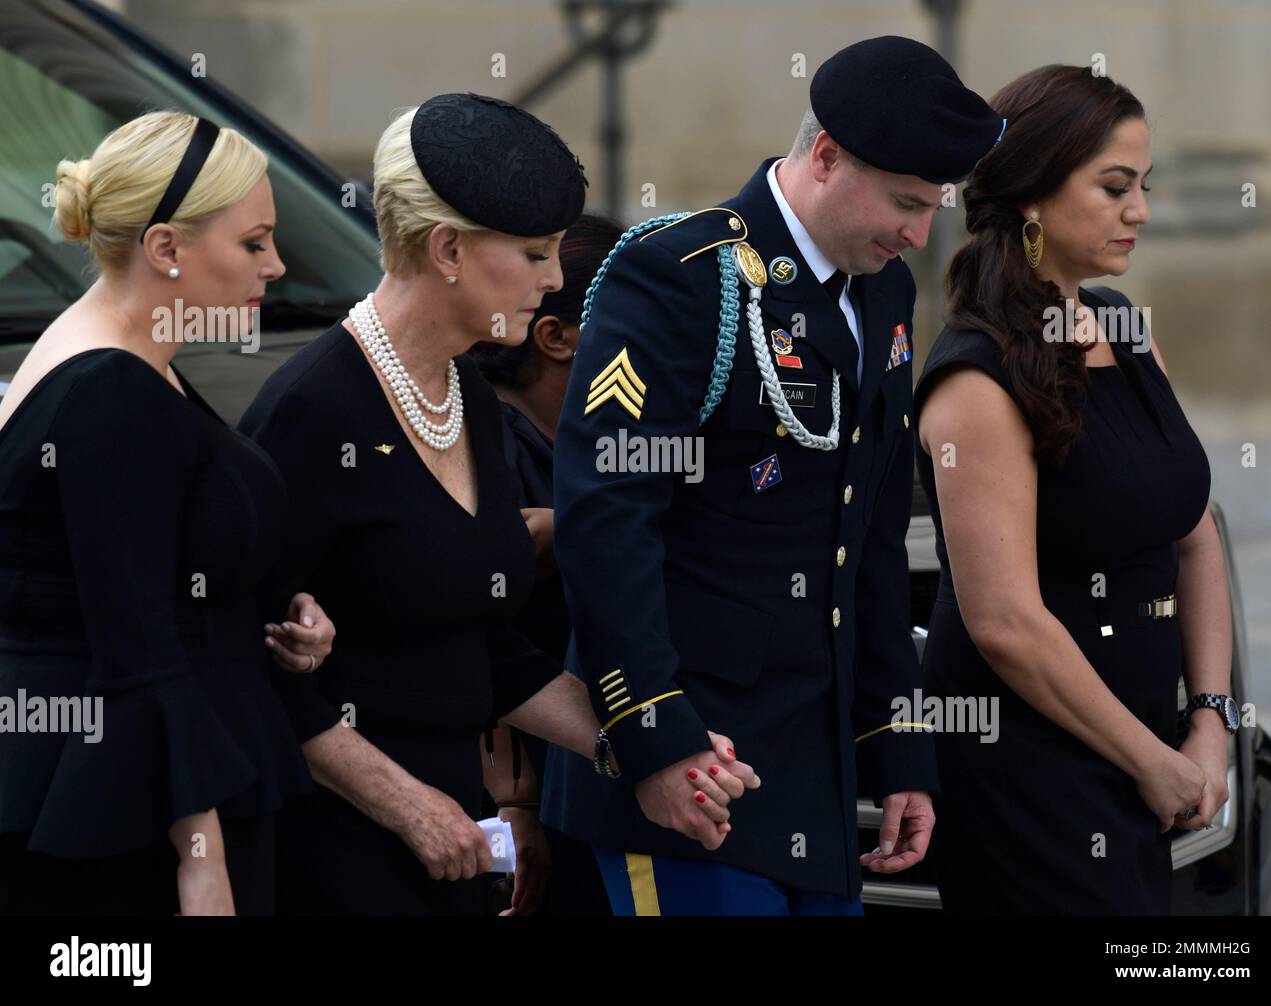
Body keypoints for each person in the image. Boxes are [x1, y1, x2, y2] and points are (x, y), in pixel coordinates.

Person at [239, 94, 755, 916]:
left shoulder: (469, 396)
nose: (554, 281)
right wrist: (404, 804)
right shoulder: (310, 409)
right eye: (534, 254)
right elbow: (247, 661)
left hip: (452, 838)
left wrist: (656, 745)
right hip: (335, 845)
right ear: (447, 249)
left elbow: (483, 649)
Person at [542, 37, 1005, 915]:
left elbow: (863, 533)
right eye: (906, 203)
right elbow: (606, 520)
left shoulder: (884, 292)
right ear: (825, 156)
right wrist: (654, 738)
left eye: (933, 207)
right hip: (692, 757)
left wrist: (898, 744)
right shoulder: (682, 275)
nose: (918, 234)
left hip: (812, 766)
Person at [912, 65, 1232, 914]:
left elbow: (1194, 531)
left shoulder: (1124, 330)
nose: (1142, 212)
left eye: (1144, 186)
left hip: (1144, 752)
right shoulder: (974, 381)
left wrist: (1209, 719)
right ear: (1031, 197)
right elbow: (1005, 623)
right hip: (1030, 764)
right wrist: (1151, 760)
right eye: (1115, 186)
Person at [0, 111, 335, 915]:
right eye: (253, 244)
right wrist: (202, 859)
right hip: (129, 817)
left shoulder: (117, 357)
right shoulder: (109, 389)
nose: (277, 265)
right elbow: (134, 643)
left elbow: (156, 563)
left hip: (146, 782)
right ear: (164, 249)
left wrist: (272, 613)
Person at [471, 213, 624, 914]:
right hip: (525, 799)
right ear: (556, 338)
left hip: (591, 779)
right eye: (635, 319)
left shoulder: (601, 446)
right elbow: (476, 615)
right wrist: (517, 801)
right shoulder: (485, 441)